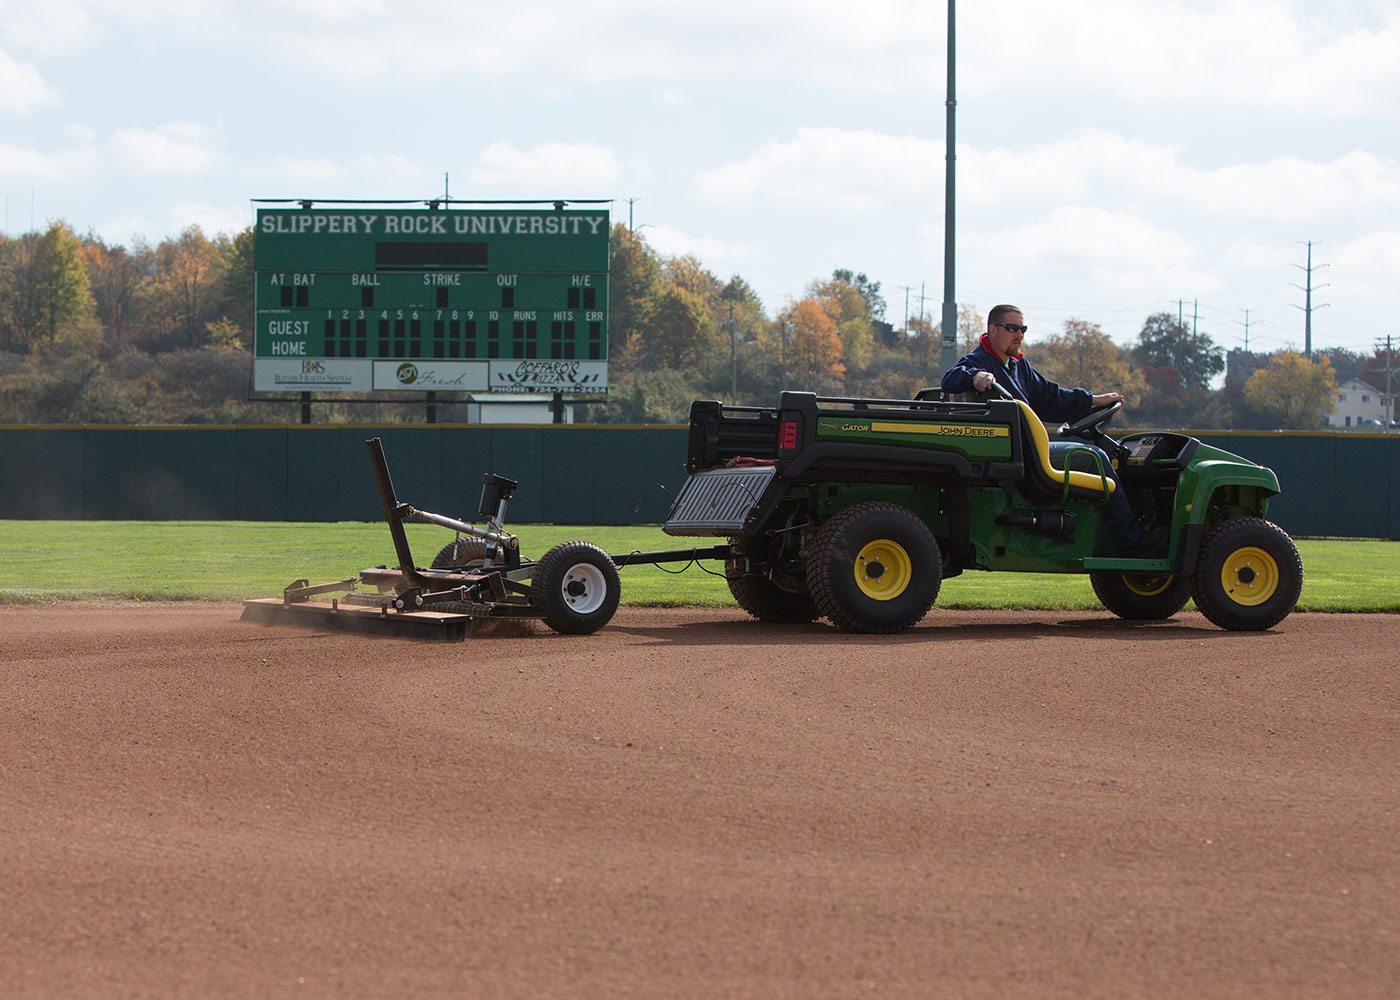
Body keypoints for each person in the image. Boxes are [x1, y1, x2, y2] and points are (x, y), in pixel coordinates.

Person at [941, 304, 1161, 553]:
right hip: (1022, 458)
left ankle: (1107, 539)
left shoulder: (1018, 366)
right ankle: (1131, 541)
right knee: (1095, 459)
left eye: (1022, 329)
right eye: (1012, 328)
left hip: (1028, 452)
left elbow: (1052, 397)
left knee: (1093, 455)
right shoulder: (980, 361)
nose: (1019, 335)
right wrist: (975, 376)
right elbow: (950, 378)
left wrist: (1093, 400)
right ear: (992, 330)